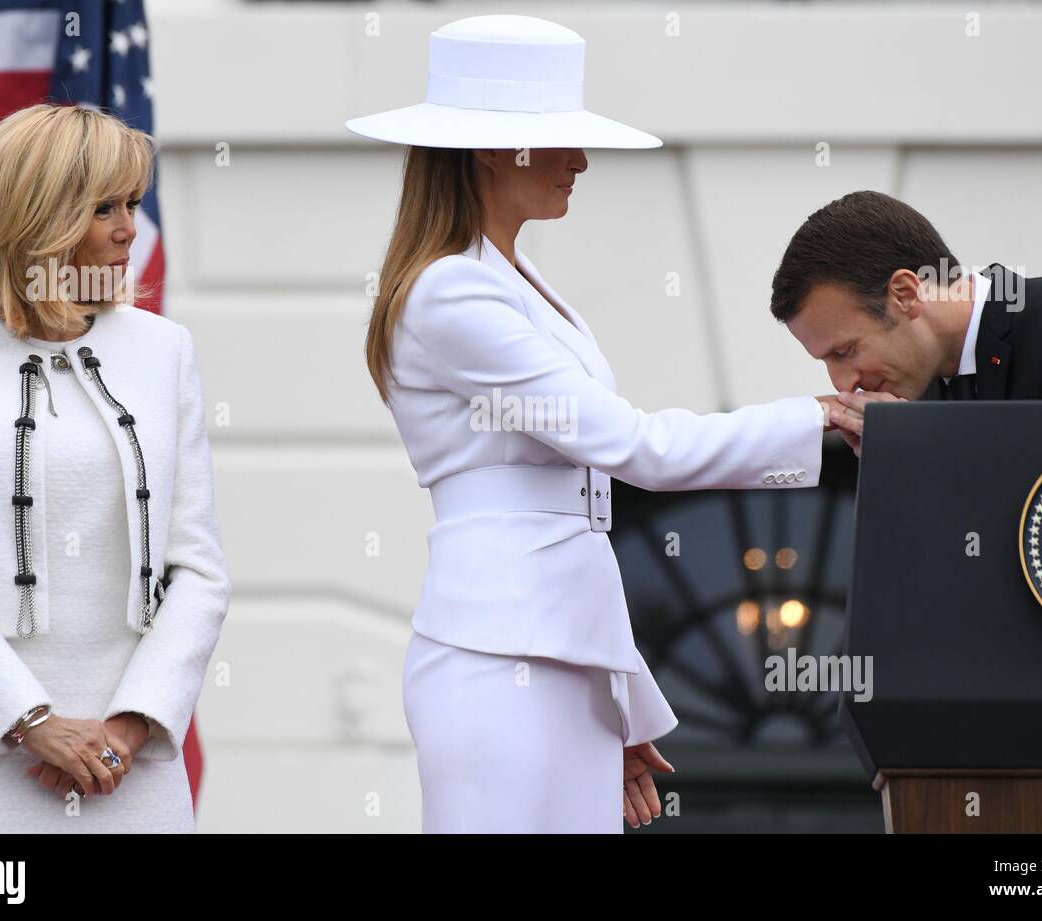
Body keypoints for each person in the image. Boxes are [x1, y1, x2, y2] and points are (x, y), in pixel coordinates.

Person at [347, 14, 837, 833]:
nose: (579, 161)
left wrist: (621, 697)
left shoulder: (509, 276)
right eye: (559, 140)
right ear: (493, 150)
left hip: (554, 659)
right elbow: (636, 450)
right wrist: (815, 419)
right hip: (497, 657)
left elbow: (577, 530)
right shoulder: (452, 293)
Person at [0, 103, 231, 832]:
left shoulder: (166, 351)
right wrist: (27, 718)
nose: (130, 227)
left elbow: (198, 568)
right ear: (37, 215)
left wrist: (131, 728)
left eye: (131, 202)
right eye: (104, 207)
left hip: (129, 770)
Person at [770, 190, 1042, 454]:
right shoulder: (907, 398)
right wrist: (893, 465)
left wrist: (924, 446)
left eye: (845, 351)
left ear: (906, 294)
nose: (843, 384)